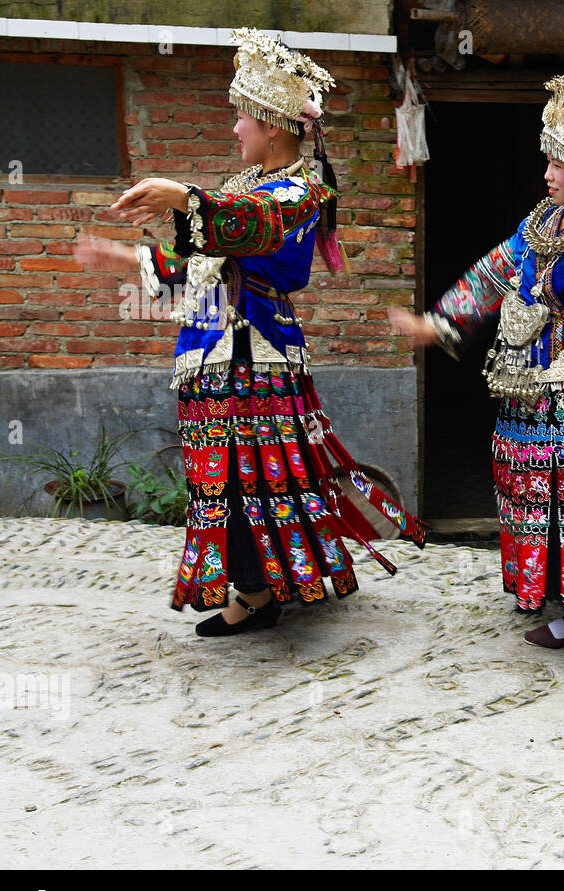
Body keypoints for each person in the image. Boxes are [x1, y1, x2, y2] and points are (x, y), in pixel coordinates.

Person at [75, 28, 427, 636]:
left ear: (272, 125)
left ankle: (259, 596)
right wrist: (126, 259)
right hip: (218, 356)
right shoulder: (242, 191)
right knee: (239, 479)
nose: (235, 129)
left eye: (242, 117)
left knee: (254, 479)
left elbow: (252, 230)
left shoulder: (299, 193)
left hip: (254, 362)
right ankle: (269, 583)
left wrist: (184, 196)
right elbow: (209, 267)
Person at [389, 76, 564, 649]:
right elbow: (489, 276)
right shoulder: (535, 225)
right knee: (533, 485)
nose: (546, 173)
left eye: (556, 163)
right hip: (524, 379)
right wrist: (437, 323)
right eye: (547, 161)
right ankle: (550, 591)